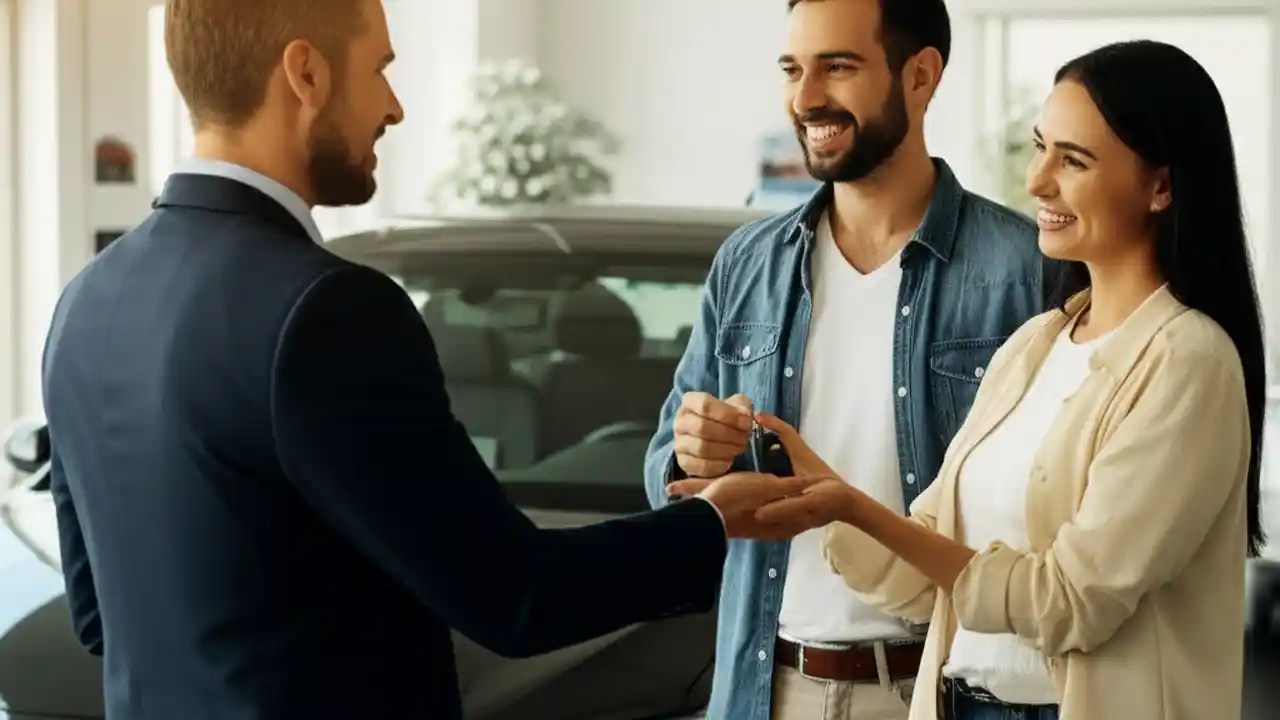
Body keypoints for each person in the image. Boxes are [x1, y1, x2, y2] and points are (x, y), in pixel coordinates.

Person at [39, 1, 830, 718]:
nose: (394, 105)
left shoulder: (84, 303)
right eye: (380, 68)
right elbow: (517, 598)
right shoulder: (327, 312)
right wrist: (714, 522)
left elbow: (99, 617)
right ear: (306, 73)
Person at [687, 39, 1266, 720]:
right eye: (1039, 147)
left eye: (1073, 161)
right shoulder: (1035, 344)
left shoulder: (1187, 361)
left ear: (1161, 186)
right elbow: (925, 576)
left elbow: (1068, 602)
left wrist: (855, 507)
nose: (1037, 181)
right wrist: (827, 497)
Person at [643, 0, 1056, 717]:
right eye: (792, 70)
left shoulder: (1027, 271)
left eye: (838, 67)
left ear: (921, 75)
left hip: (947, 690)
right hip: (765, 688)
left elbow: (1054, 523)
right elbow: (661, 477)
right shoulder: (747, 264)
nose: (805, 98)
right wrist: (690, 457)